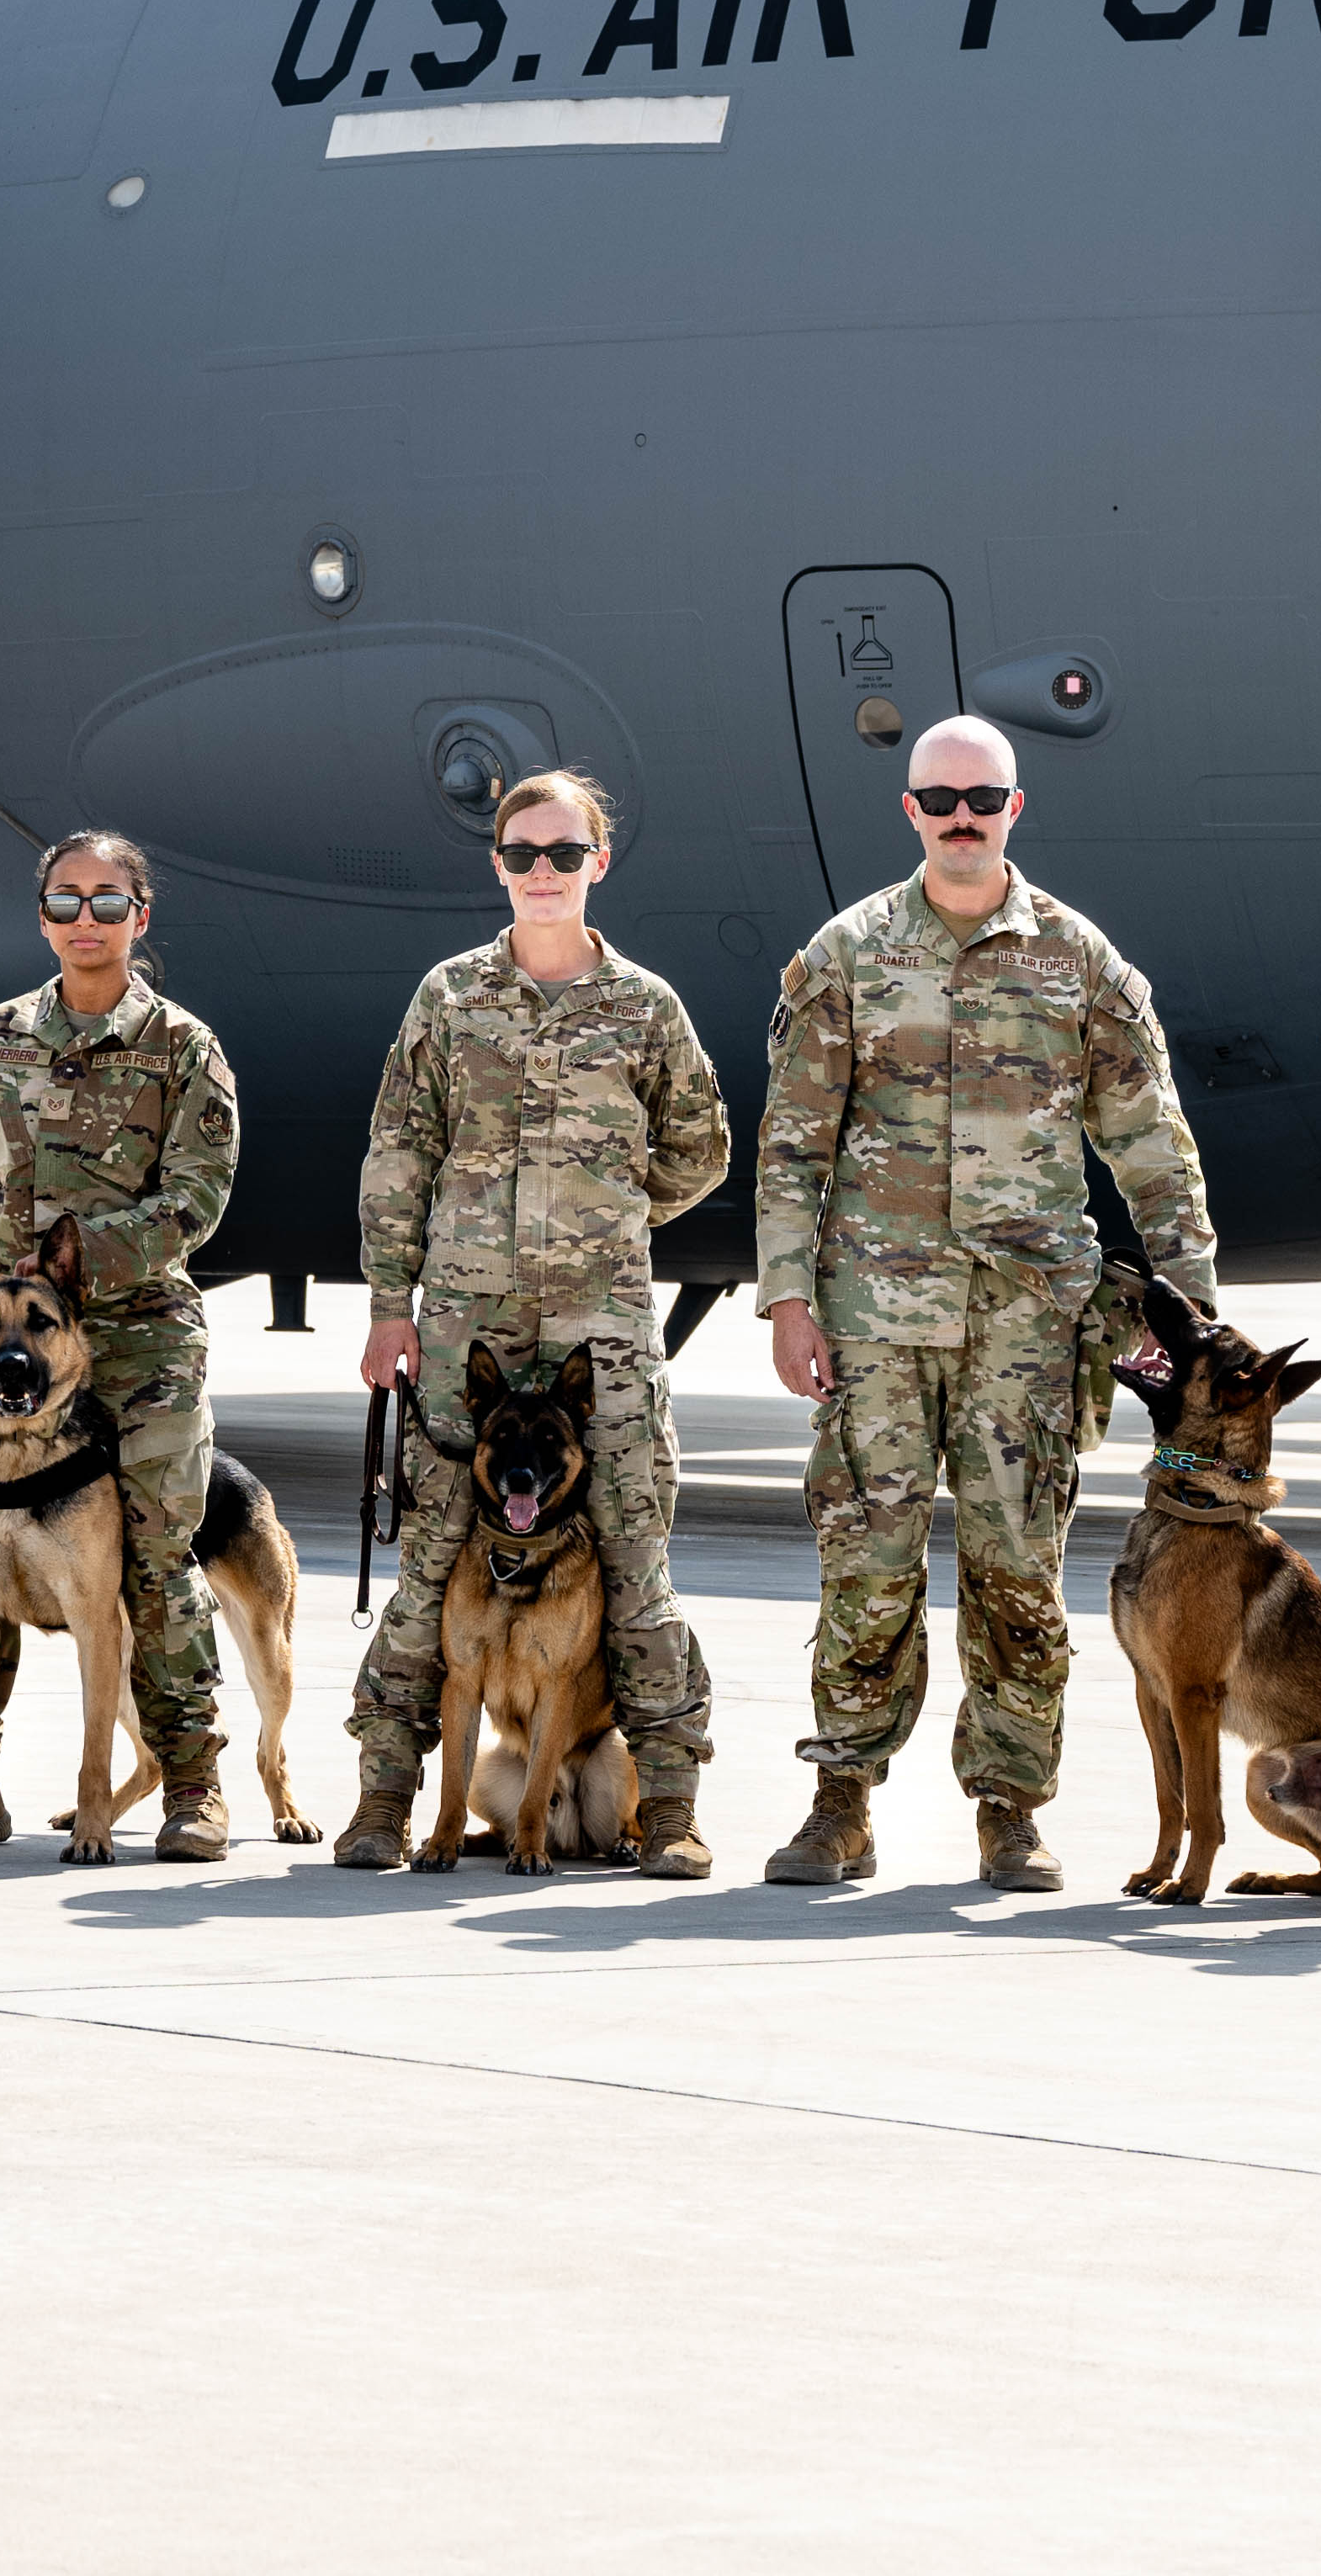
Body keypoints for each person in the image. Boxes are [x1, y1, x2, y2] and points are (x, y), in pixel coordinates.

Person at [753, 712, 1219, 1891]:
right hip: (876, 1317)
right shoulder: (847, 953)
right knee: (866, 1559)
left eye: (983, 796)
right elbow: (793, 1143)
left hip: (1030, 1322)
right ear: (909, 810)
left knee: (1018, 1563)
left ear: (1016, 807)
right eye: (940, 797)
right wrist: (785, 1298)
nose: (962, 815)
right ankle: (841, 1797)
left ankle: (1010, 1806)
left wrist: (1192, 1307)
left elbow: (1148, 1139)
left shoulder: (1078, 959)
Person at [339, 767, 737, 1878]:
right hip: (468, 1323)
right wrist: (387, 1301)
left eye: (565, 853)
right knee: (430, 1557)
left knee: (633, 1559)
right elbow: (396, 1151)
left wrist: (609, 1209)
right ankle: (384, 1792)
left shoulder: (645, 1006)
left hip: (601, 1332)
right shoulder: (449, 996)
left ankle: (666, 1806)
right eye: (523, 853)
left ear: (596, 862)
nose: (544, 872)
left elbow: (702, 1147)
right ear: (498, 865)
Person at [0, 830, 246, 1862]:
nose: (88, 920)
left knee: (160, 1560)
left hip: (136, 1343)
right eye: (67, 901)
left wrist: (64, 1266)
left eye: (109, 902)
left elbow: (197, 1201)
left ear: (140, 916)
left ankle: (190, 1786)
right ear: (42, 916)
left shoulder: (182, 1046)